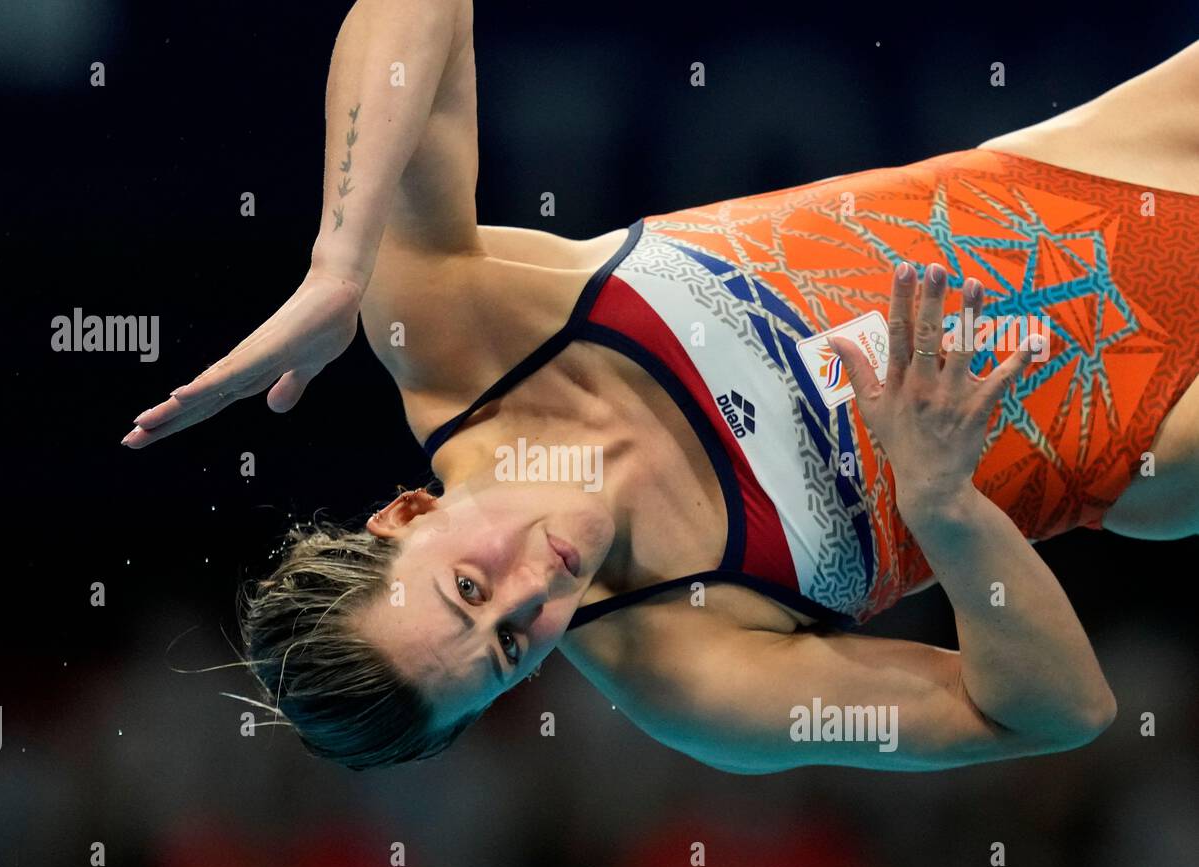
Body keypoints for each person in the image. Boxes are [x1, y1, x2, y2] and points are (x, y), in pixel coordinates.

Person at [123, 1, 1199, 772]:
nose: (529, 598)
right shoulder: (687, 674)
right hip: (1166, 434)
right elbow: (1057, 712)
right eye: (507, 653)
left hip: (1140, 160)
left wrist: (342, 262)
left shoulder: (460, 343)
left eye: (466, 585)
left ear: (406, 514)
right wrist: (945, 510)